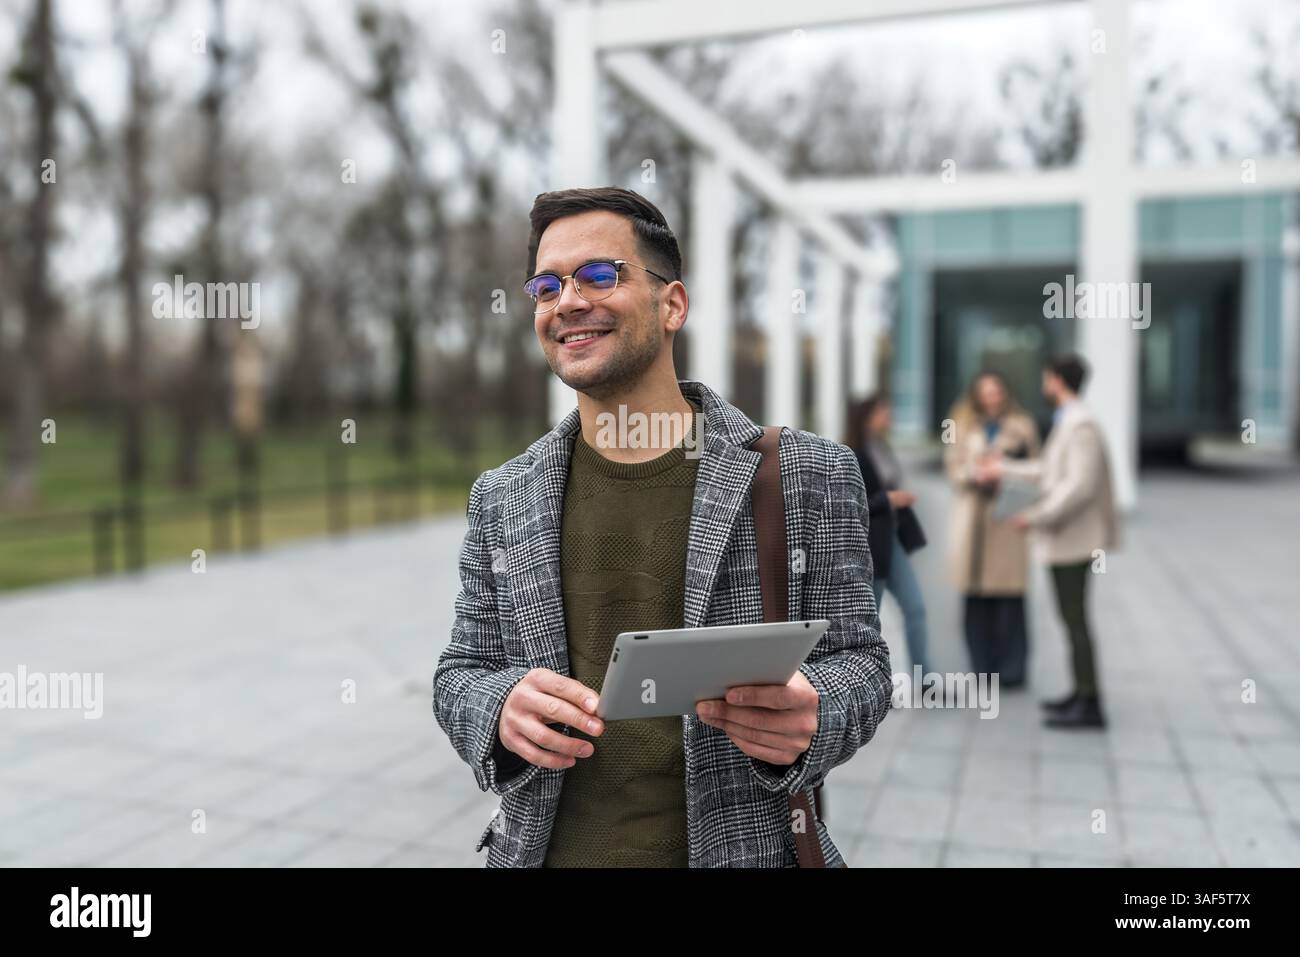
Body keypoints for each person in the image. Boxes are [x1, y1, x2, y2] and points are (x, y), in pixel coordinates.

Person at [433, 186, 893, 867]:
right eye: (546, 285)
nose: (567, 301)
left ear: (672, 303)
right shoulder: (501, 495)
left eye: (598, 274)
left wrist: (814, 709)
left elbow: (865, 664)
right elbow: (459, 674)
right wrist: (499, 708)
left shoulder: (807, 472)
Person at [980, 354, 1119, 729]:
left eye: (1046, 377)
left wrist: (1035, 516)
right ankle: (1080, 693)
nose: (1044, 384)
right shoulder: (1070, 421)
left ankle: (1090, 704)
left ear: (1057, 380)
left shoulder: (1081, 425)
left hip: (1073, 539)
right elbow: (1048, 470)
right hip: (1065, 538)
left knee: (1075, 620)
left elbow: (1079, 487)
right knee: (1070, 618)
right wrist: (1005, 467)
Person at [944, 372, 1040, 688]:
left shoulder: (1023, 426)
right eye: (985, 392)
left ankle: (1012, 669)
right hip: (973, 519)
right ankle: (981, 666)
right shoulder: (960, 426)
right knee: (976, 598)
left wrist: (1004, 472)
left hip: (1007, 518)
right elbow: (953, 470)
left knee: (1010, 596)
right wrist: (975, 473)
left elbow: (1038, 470)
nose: (992, 398)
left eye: (997, 391)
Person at [845, 393, 930, 678]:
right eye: (884, 411)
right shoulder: (852, 452)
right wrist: (888, 499)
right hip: (871, 545)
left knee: (915, 607)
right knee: (871, 620)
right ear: (868, 416)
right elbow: (852, 502)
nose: (889, 417)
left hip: (892, 540)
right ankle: (870, 684)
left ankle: (925, 678)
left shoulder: (881, 447)